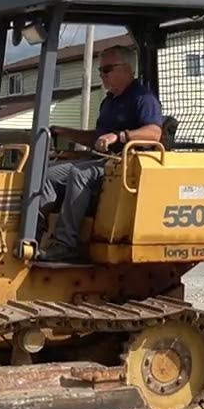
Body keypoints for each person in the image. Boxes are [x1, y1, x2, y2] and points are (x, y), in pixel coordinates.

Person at [37, 45, 164, 263]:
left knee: (79, 174)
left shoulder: (143, 98)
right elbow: (98, 138)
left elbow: (154, 132)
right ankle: (35, 237)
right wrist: (65, 132)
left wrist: (120, 136)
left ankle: (65, 244)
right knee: (46, 174)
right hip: (101, 161)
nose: (101, 75)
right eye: (100, 71)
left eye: (106, 70)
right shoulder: (109, 101)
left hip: (126, 165)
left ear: (126, 69)